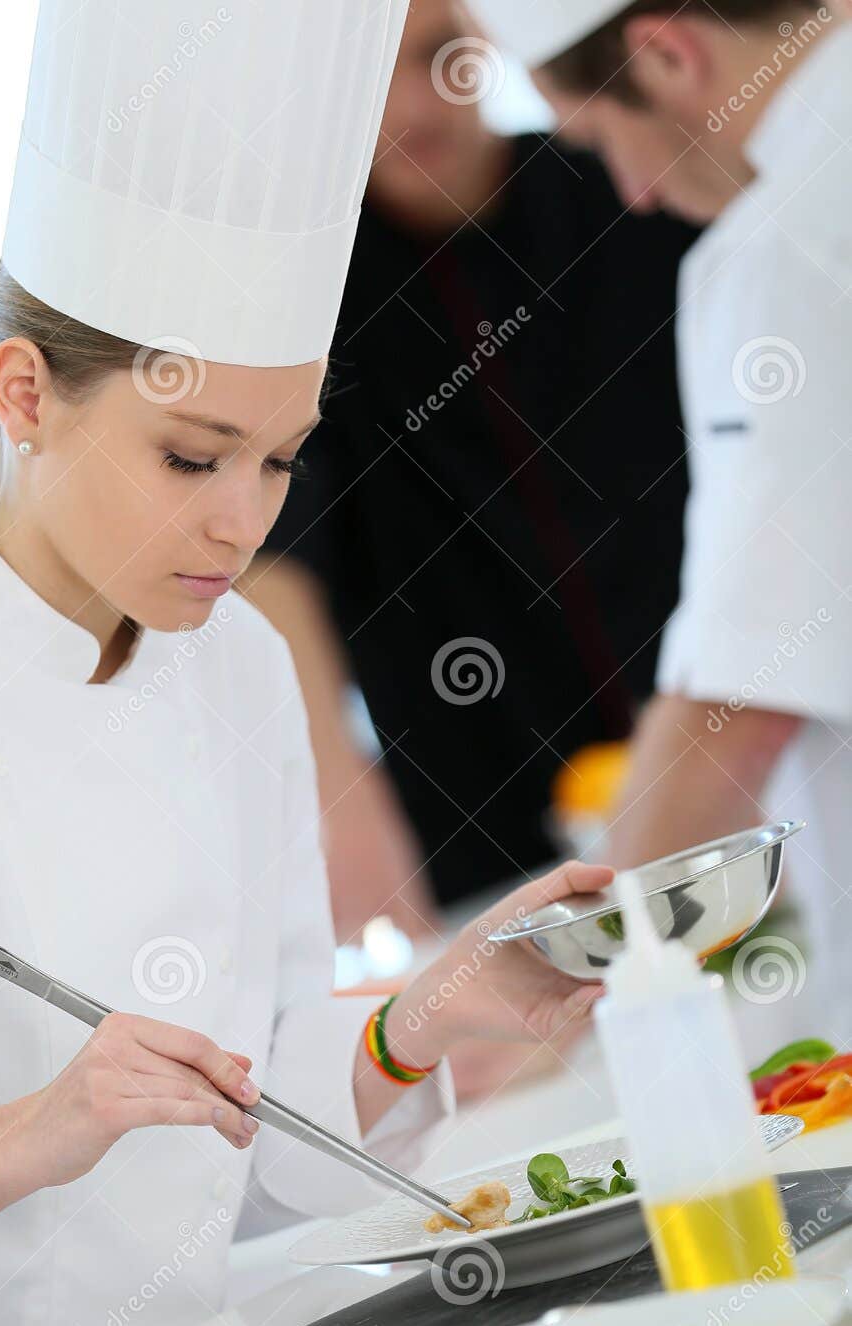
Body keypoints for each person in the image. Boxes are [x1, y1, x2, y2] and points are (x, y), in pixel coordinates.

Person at [0, 0, 613, 1326]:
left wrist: (419, 1019)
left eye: (280, 459)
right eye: (189, 457)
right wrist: (26, 1135)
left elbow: (261, 1118)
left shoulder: (228, 665)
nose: (242, 524)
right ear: (24, 393)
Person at [244, 0, 694, 944]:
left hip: (726, 764)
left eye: (440, 58)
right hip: (485, 835)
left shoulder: (631, 187)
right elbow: (270, 553)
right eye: (371, 81)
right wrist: (331, 791)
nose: (418, 104)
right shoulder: (295, 302)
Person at [479, 0, 852, 1034]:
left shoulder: (782, 253)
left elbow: (733, 703)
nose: (635, 195)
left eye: (602, 140)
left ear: (668, 54)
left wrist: (557, 989)